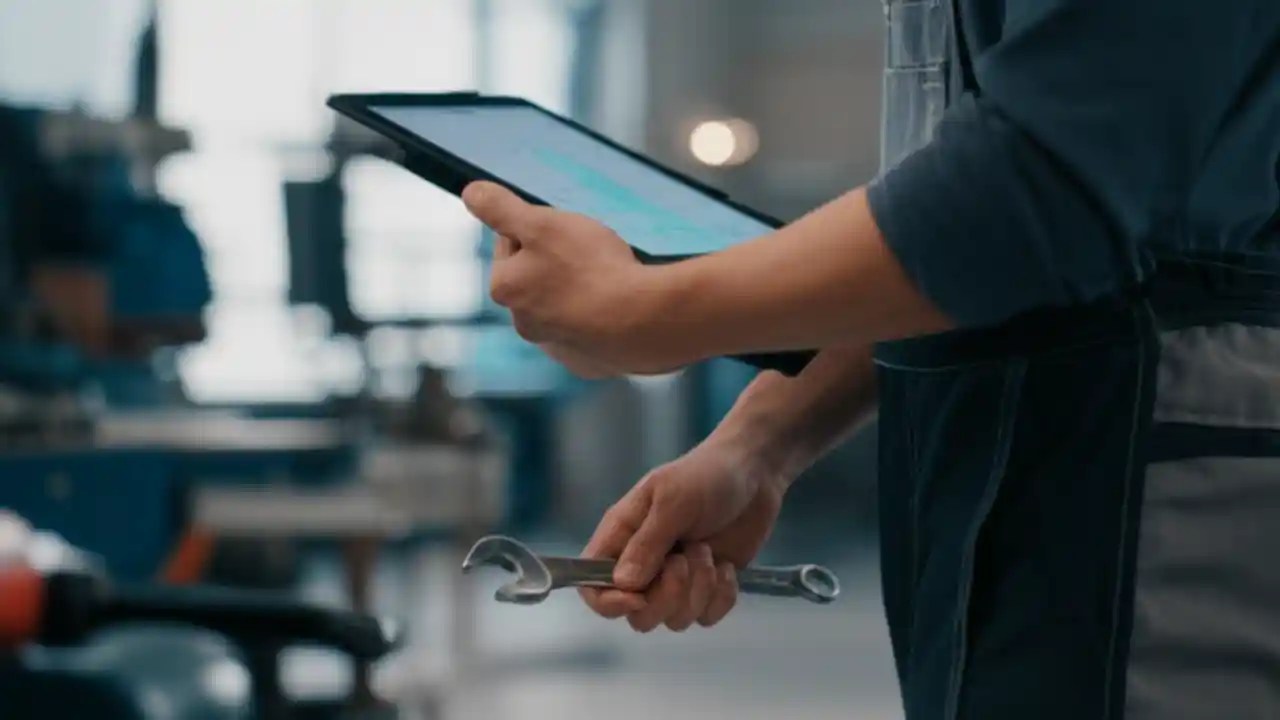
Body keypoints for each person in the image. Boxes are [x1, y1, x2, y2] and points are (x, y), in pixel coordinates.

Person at [463, 1, 1280, 718]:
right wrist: (757, 447)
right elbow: (949, 216)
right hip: (1006, 502)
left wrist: (646, 313)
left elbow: (1042, 191)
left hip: (1154, 503)